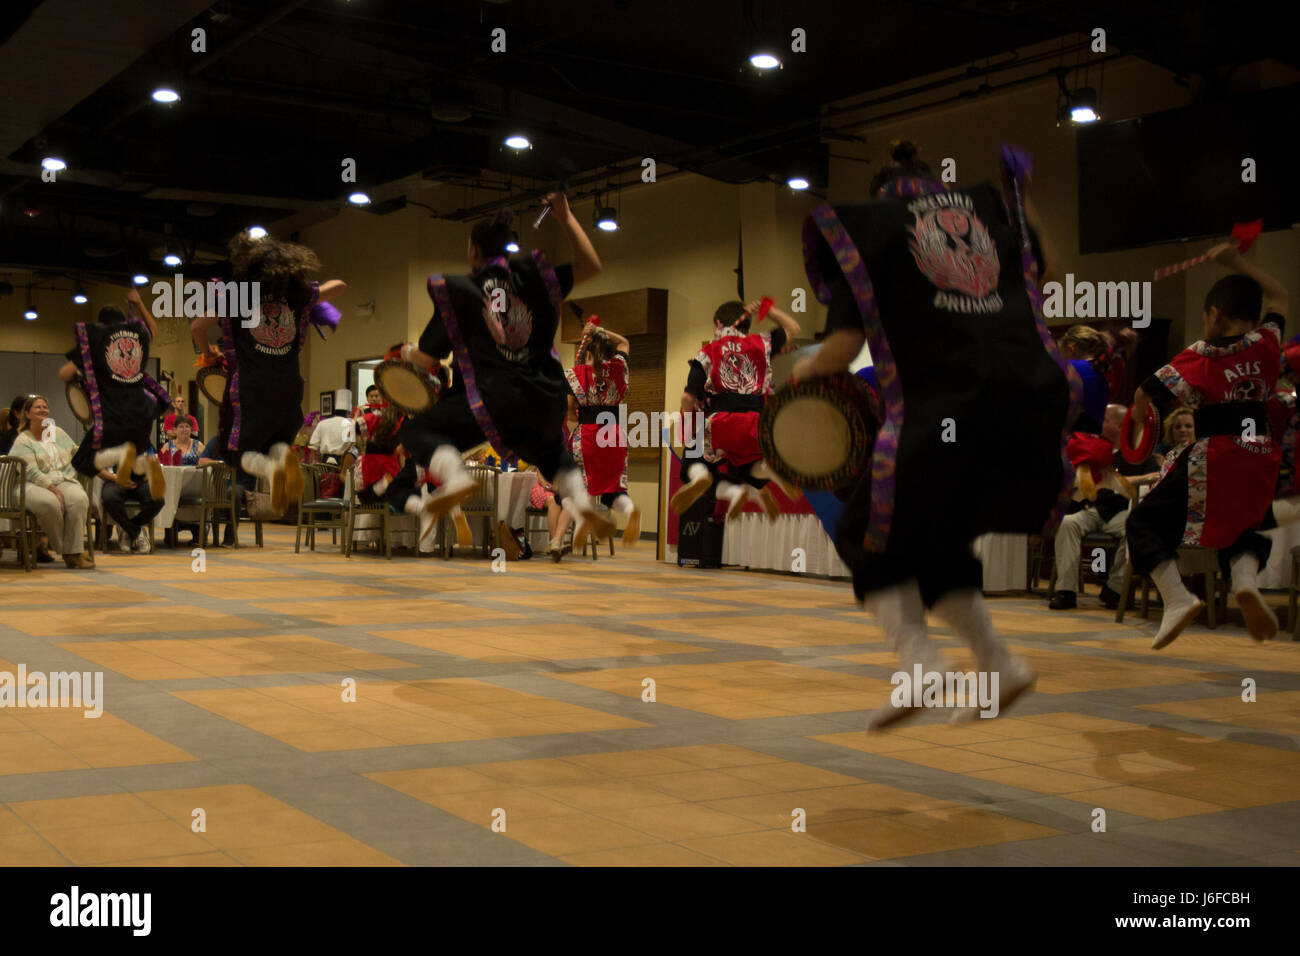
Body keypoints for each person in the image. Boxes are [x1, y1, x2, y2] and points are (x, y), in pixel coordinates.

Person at [793, 140, 1072, 727]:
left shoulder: (869, 233)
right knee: (938, 545)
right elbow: (1042, 268)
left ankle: (921, 663)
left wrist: (803, 371)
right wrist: (1023, 197)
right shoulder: (984, 223)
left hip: (939, 414)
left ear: (879, 198)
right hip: (1022, 408)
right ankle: (998, 663)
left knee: (860, 530)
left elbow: (841, 351)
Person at [394, 197, 610, 548]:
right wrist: (567, 218)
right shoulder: (534, 279)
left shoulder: (464, 291)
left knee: (418, 430)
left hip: (494, 397)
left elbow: (428, 356)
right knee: (552, 452)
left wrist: (405, 352)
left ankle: (456, 478)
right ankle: (582, 503)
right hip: (544, 396)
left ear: (475, 251)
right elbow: (592, 265)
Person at [1125, 244, 1288, 648]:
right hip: (1260, 455)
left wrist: (1136, 434)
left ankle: (1177, 599)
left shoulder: (1201, 355)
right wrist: (1237, 263)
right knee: (1243, 525)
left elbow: (1143, 397)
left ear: (1214, 315)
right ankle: (1246, 583)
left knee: (1142, 522)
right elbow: (1281, 295)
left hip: (1214, 457)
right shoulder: (1268, 342)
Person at [189, 230, 345, 515]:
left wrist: (207, 352)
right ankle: (283, 458)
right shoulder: (295, 294)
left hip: (251, 387)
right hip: (288, 387)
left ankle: (273, 472)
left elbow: (197, 327)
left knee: (237, 455)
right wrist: (311, 297)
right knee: (278, 442)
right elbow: (339, 286)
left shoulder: (236, 295)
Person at [670, 297, 801, 519]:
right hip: (756, 423)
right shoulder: (762, 343)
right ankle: (771, 472)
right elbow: (793, 328)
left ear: (719, 324)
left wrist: (688, 419)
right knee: (748, 464)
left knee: (694, 455)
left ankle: (703, 479)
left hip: (723, 422)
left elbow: (687, 397)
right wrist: (767, 310)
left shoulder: (709, 351)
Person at [59, 290, 169, 503]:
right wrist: (139, 304)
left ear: (100, 324)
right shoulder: (137, 335)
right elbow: (153, 331)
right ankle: (140, 468)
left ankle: (119, 458)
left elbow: (64, 374)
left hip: (113, 415)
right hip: (141, 413)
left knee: (82, 460)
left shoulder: (96, 340)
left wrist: (86, 374)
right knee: (139, 451)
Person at [1050, 404, 1159, 611]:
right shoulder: (1094, 447)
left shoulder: (1140, 453)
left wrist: (1127, 481)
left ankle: (1115, 589)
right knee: (1067, 523)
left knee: (1135, 530)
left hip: (1123, 512)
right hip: (1095, 509)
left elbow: (1155, 477)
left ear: (1119, 425)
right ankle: (1066, 591)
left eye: (1105, 419)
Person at [566, 320, 641, 546]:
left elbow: (570, 414)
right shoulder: (618, 367)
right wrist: (600, 331)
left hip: (588, 434)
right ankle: (630, 511)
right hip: (615, 434)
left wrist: (573, 434)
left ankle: (583, 522)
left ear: (587, 352)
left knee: (578, 486)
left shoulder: (575, 374)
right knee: (614, 489)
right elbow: (625, 342)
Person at [9, 396, 93, 568]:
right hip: (30, 485)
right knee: (49, 503)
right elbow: (29, 471)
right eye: (37, 407)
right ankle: (67, 550)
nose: (43, 410)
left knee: (79, 499)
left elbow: (75, 453)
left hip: (63, 479)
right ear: (27, 413)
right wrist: (52, 488)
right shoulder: (23, 439)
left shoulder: (58, 433)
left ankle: (74, 552)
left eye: (45, 407)